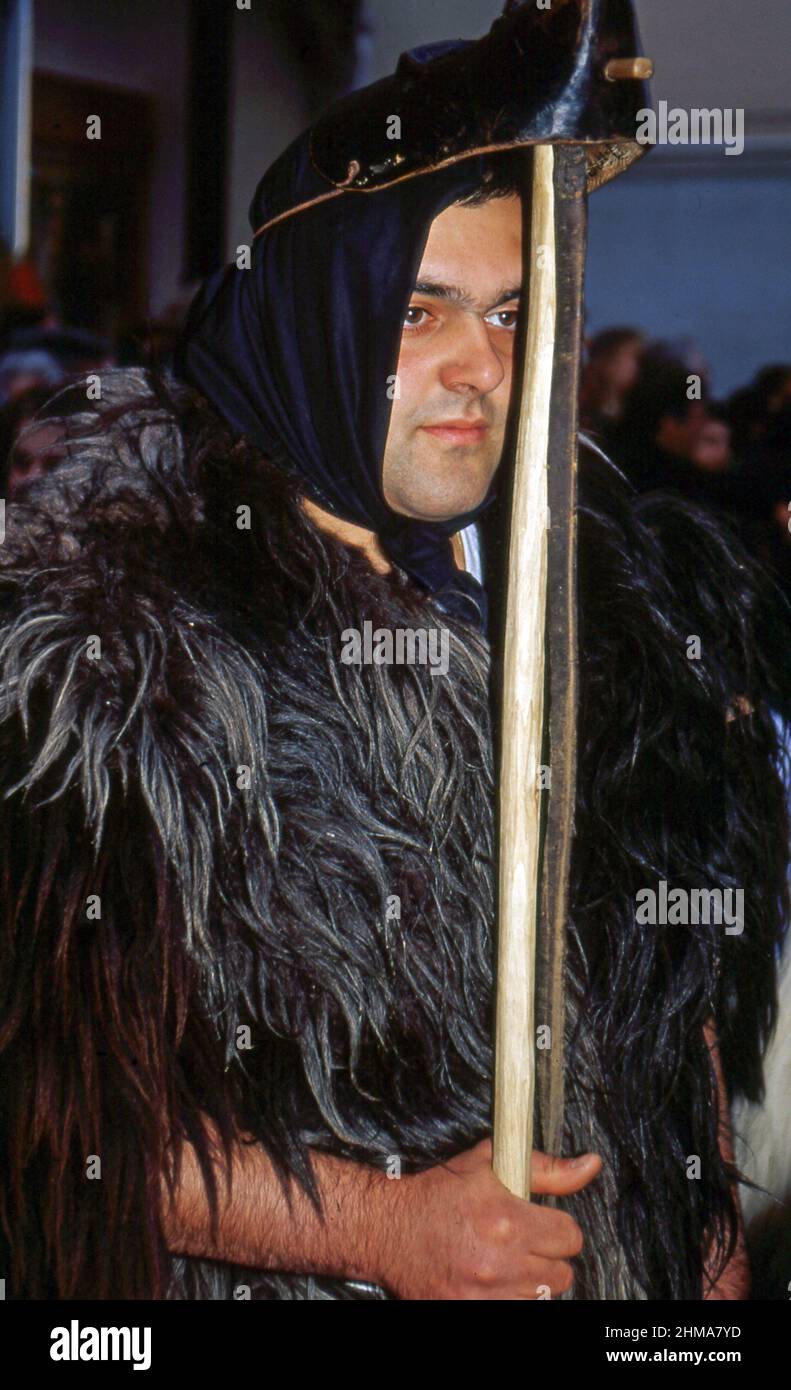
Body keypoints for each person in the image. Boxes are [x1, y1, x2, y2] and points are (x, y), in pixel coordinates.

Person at [1, 53, 789, 1305]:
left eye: (510, 312)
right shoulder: (113, 649)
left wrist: (704, 1233)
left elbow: (668, 969)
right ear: (319, 319)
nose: (479, 364)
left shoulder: (615, 598)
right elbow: (54, 1114)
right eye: (419, 312)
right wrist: (377, 1228)